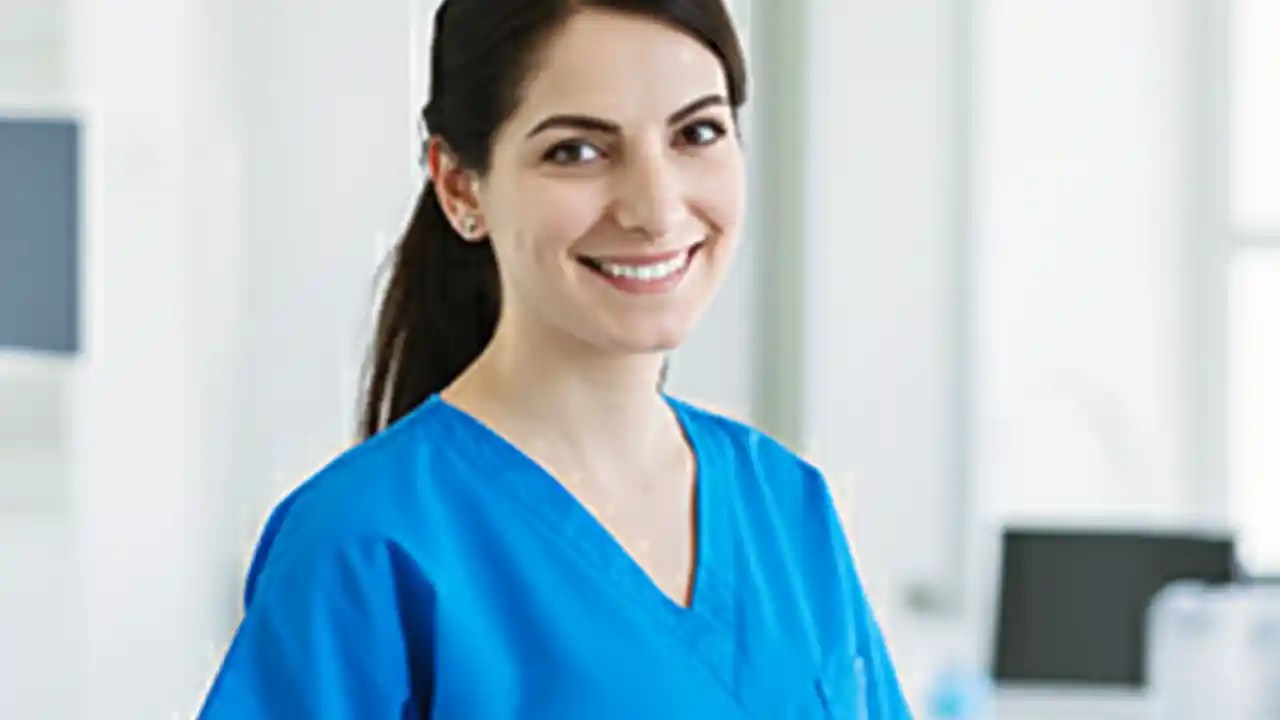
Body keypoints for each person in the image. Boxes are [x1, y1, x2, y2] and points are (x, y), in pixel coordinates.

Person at [199, 0, 911, 717]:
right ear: (458, 186)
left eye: (696, 133)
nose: (656, 209)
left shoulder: (788, 509)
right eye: (577, 151)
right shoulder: (363, 544)